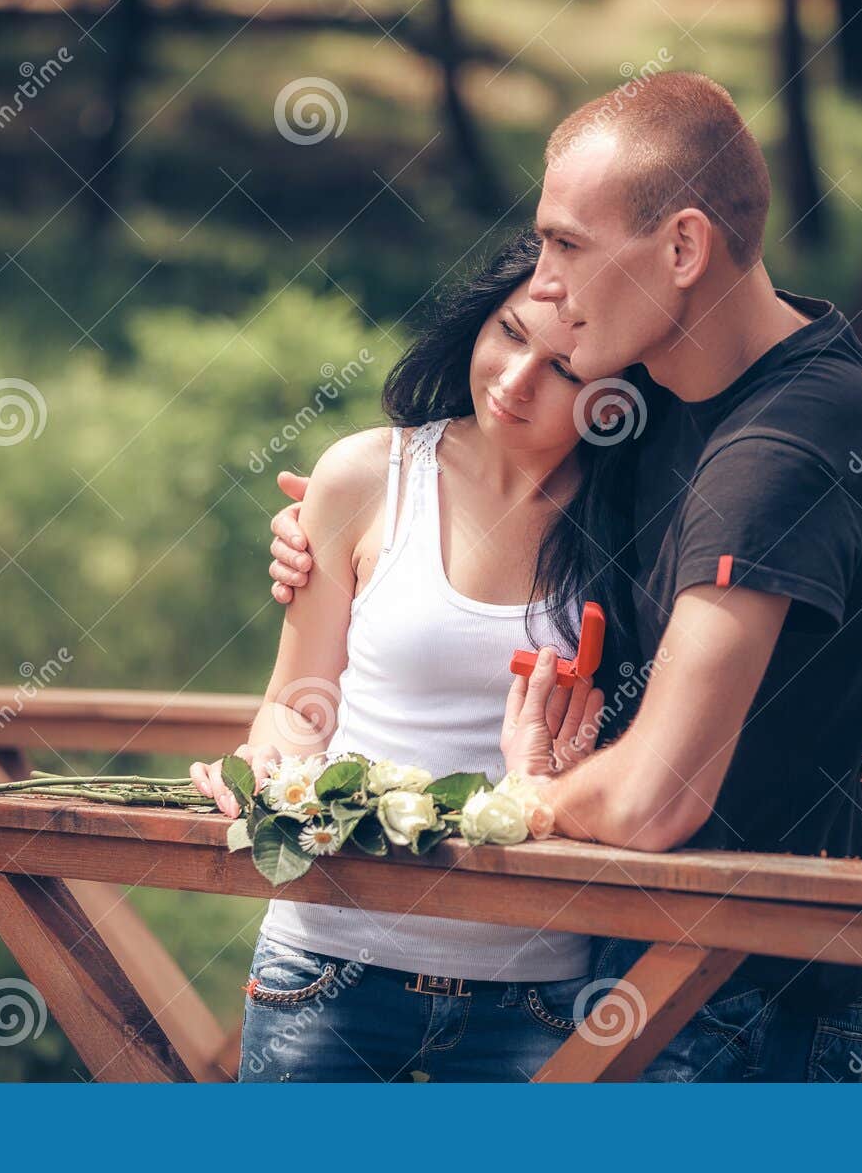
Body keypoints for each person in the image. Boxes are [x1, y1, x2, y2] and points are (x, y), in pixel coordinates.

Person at [262, 72, 862, 1081]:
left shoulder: (778, 446)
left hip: (739, 993)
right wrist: (333, 529)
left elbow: (652, 797)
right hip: (638, 965)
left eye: (567, 244)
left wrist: (519, 796)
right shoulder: (674, 397)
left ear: (683, 250)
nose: (545, 281)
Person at [190, 230, 642, 1081]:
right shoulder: (368, 474)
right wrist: (267, 773)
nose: (515, 382)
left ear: (621, 395)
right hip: (326, 966)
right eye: (510, 333)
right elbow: (297, 699)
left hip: (536, 991)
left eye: (567, 370)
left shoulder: (644, 526)